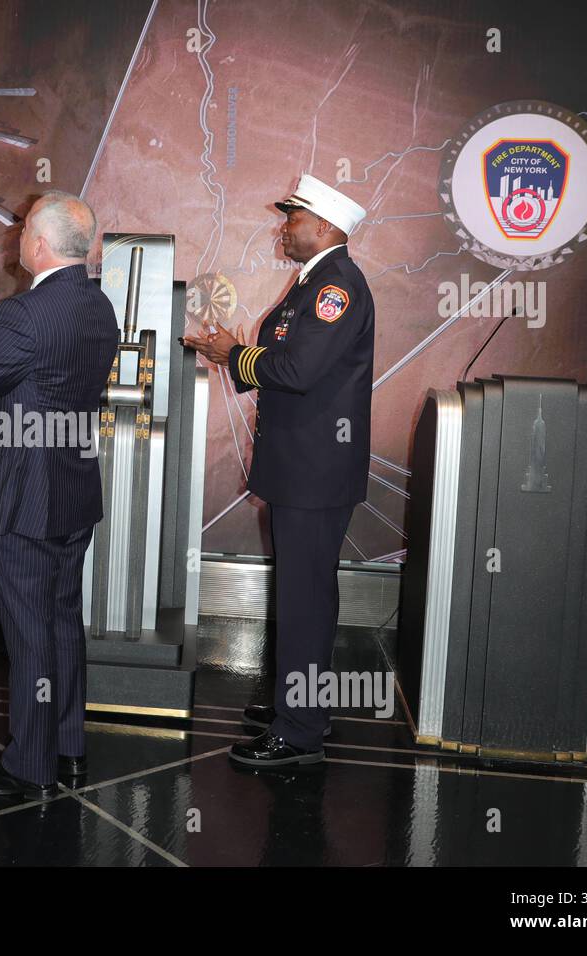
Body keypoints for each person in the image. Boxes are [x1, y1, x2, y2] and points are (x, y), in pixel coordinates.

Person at [0, 190, 120, 799]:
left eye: (23, 231)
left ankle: (28, 766)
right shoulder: (98, 306)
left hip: (24, 503)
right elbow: (38, 372)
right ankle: (69, 749)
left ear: (39, 245)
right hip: (72, 495)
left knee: (31, 634)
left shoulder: (23, 316)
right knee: (62, 623)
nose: (15, 242)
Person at [183, 174, 373, 768]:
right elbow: (287, 361)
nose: (282, 228)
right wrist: (238, 356)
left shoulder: (335, 285)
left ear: (323, 226)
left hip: (313, 472)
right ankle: (301, 706)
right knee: (303, 594)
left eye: (291, 218)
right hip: (304, 468)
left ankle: (299, 732)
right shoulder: (316, 281)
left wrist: (231, 355)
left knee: (305, 600)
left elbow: (297, 369)